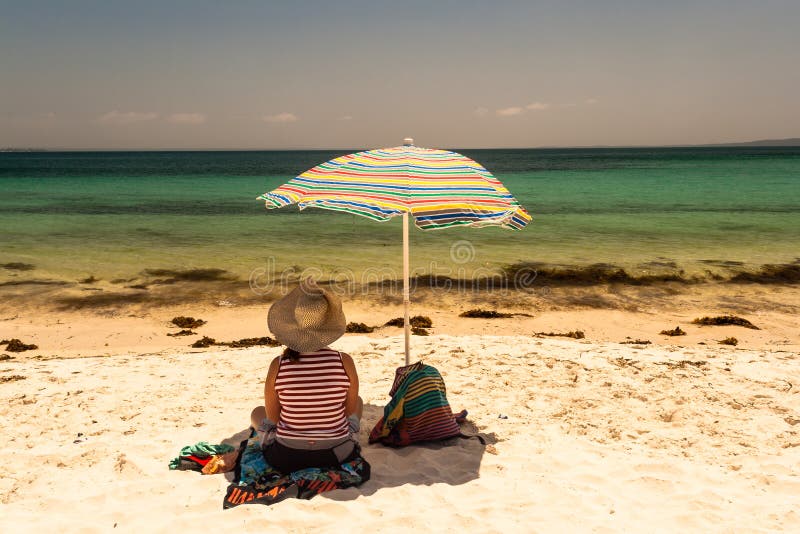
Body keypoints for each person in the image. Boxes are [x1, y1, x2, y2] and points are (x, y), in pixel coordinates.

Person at [250, 278, 363, 473]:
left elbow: (274, 418)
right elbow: (348, 411)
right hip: (337, 453)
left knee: (257, 413)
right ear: (327, 325)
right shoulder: (344, 361)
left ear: (293, 324)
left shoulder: (278, 364)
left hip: (287, 456)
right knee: (358, 402)